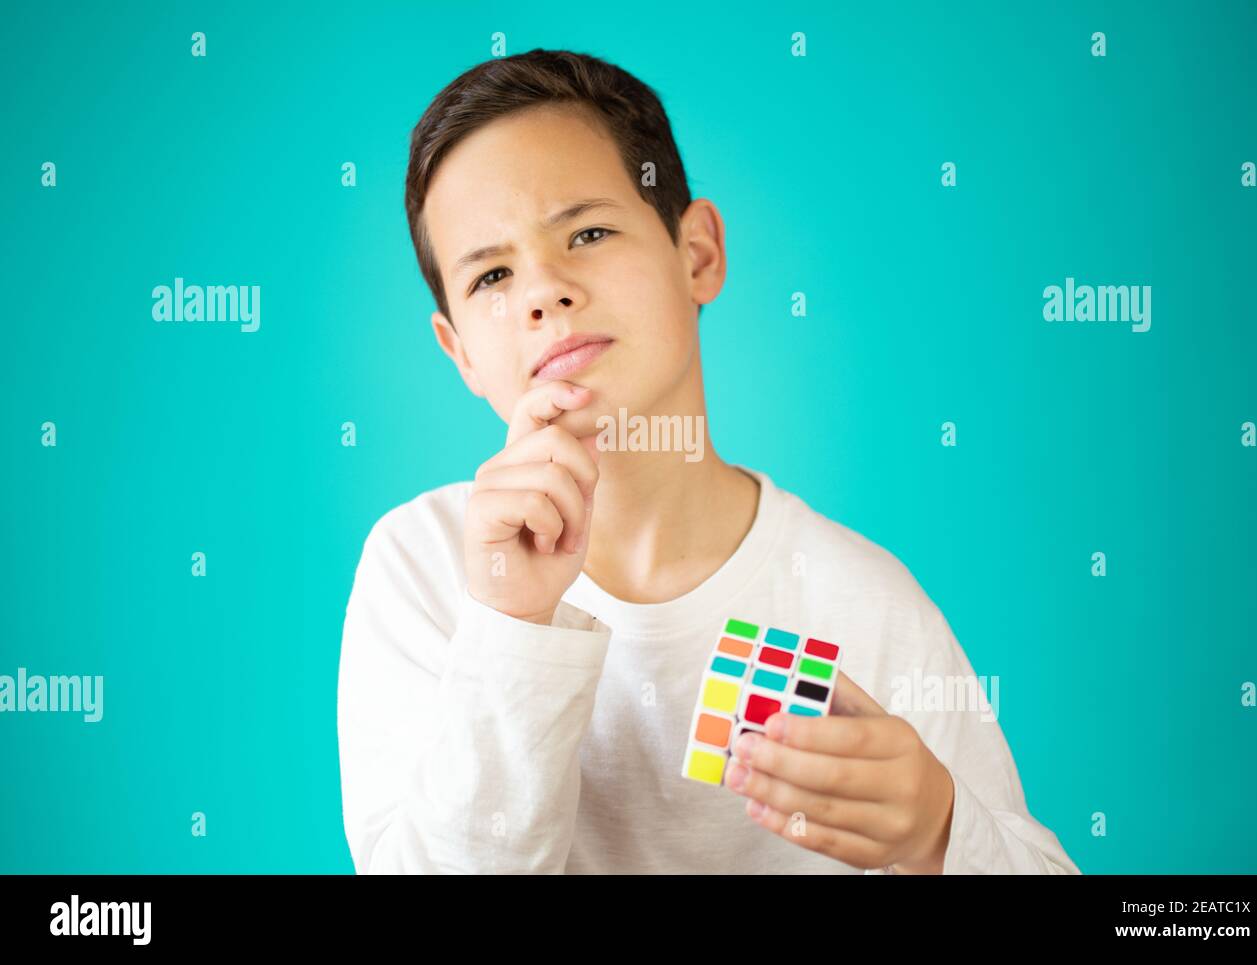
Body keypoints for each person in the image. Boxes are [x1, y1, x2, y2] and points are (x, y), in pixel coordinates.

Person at [337, 48, 1080, 875]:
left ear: (698, 254)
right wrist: (511, 623)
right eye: (494, 276)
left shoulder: (861, 602)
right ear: (460, 353)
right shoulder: (424, 569)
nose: (543, 289)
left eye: (587, 232)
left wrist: (940, 833)